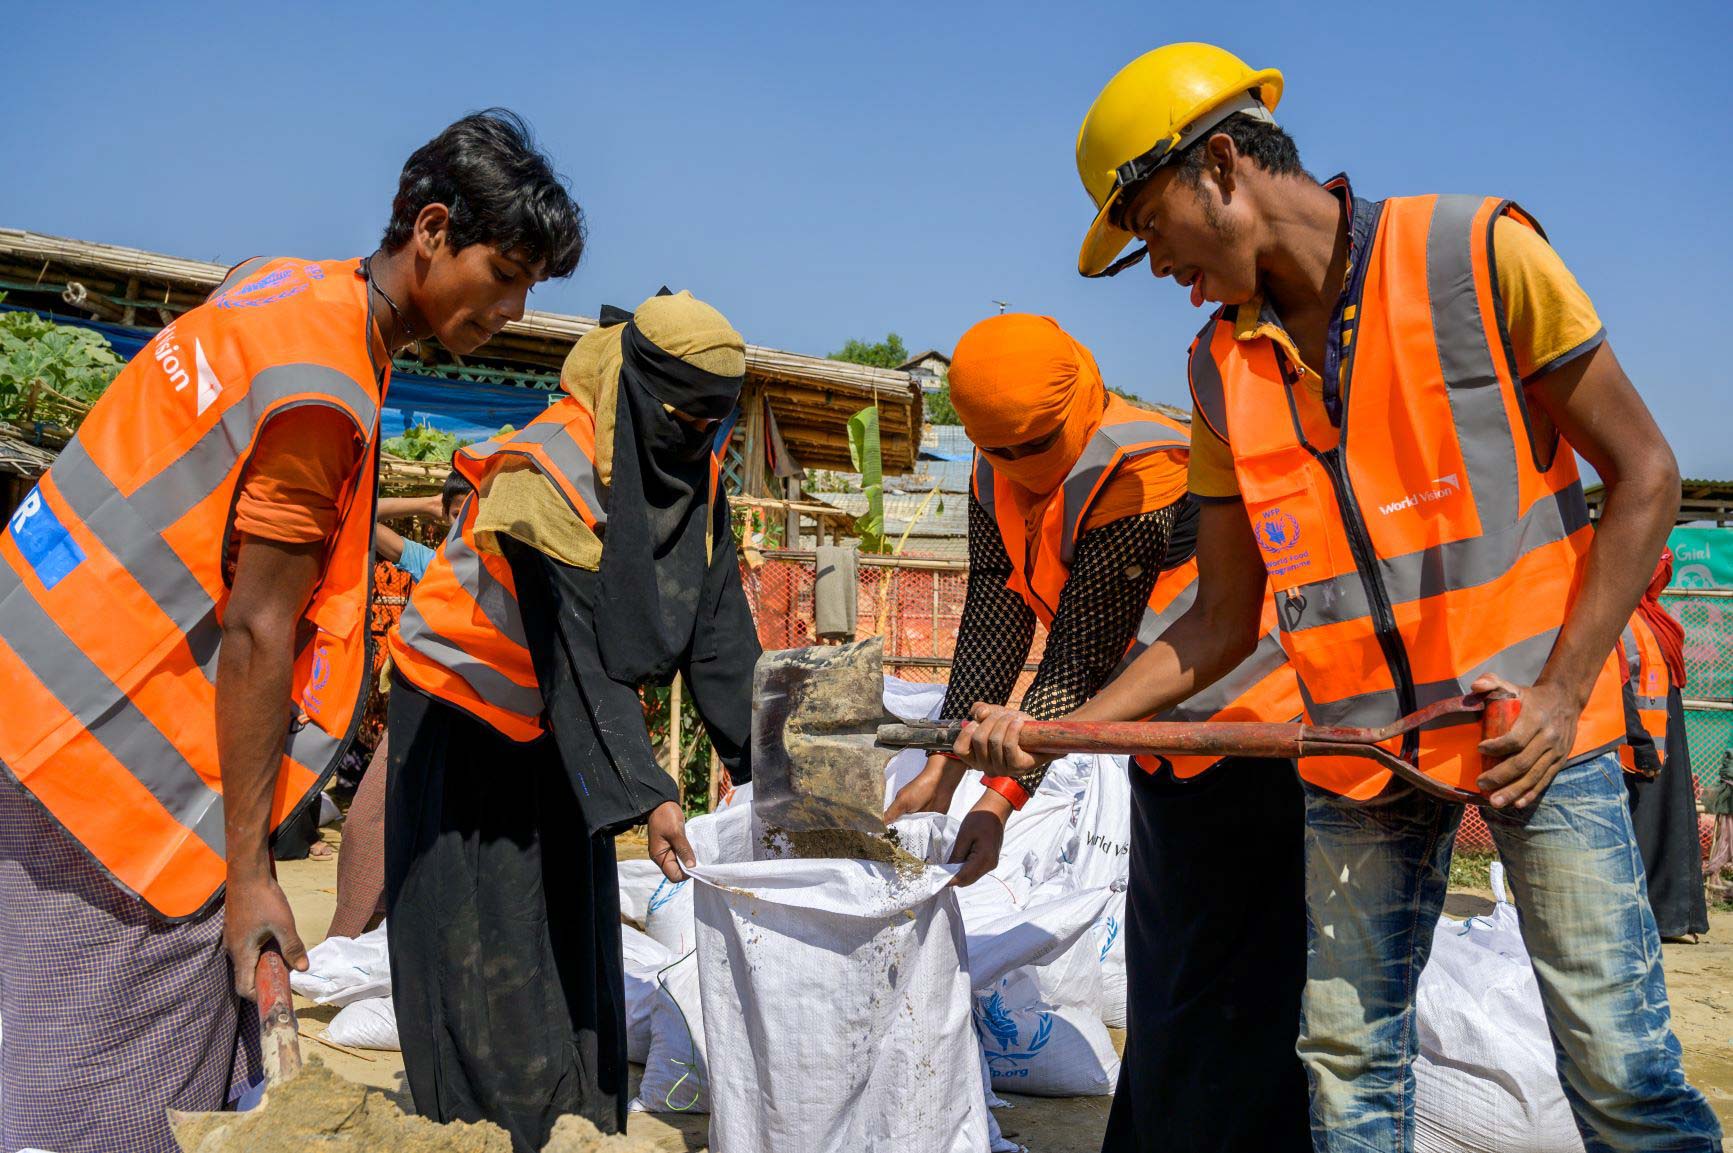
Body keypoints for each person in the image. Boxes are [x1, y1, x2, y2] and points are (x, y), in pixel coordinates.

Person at [959, 42, 1719, 1152]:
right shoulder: (1219, 368)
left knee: (1618, 1071)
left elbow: (1643, 472)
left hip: (1533, 738)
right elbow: (1220, 619)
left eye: (1148, 223)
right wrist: (1056, 732)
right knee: (1348, 1073)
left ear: (1218, 163)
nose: (1155, 261)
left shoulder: (1474, 253)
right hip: (1355, 755)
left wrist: (1560, 696)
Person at [0, 108, 582, 1153]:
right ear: (432, 229)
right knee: (103, 1082)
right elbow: (263, 627)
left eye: (531, 285)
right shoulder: (322, 387)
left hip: (34, 688)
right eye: (504, 271)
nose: (514, 306)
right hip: (115, 773)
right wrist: (252, 871)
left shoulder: (279, 289)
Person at [887, 312, 1311, 1151]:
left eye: (1032, 445)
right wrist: (939, 771)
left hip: (1249, 741)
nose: (1017, 465)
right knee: (1165, 980)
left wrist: (1000, 800)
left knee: (1235, 989)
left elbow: (1075, 661)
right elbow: (995, 617)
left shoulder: (1142, 463)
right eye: (998, 449)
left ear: (1078, 392)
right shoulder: (992, 467)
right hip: (1159, 747)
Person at [384, 289, 759, 1151]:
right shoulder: (544, 470)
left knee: (570, 928)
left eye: (715, 419)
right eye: (683, 414)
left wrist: (771, 768)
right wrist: (654, 794)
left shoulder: (692, 466)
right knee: (488, 935)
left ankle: (578, 1119)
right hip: (466, 704)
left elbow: (719, 634)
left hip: (562, 720)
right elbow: (576, 651)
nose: (699, 435)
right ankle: (493, 1126)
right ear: (637, 388)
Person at [324, 469, 473, 938]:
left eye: (470, 515)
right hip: (417, 717)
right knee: (365, 826)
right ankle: (352, 944)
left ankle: (402, 948)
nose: (461, 526)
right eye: (453, 516)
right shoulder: (431, 565)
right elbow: (356, 523)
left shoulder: (502, 577)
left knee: (443, 845)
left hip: (471, 729)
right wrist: (425, 504)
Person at [1620, 549, 1709, 939]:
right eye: (1657, 572)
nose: (1660, 580)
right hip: (1630, 744)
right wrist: (1637, 741)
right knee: (1638, 831)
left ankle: (1673, 917)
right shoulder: (1616, 617)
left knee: (1670, 824)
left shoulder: (1653, 617)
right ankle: (1647, 916)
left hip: (1663, 737)